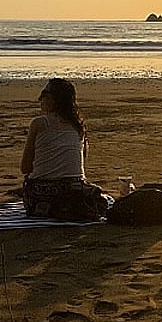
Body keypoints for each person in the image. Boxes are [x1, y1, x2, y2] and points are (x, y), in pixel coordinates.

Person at [20, 78, 110, 220]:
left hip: (42, 196)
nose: (40, 99)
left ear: (52, 99)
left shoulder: (39, 123)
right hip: (74, 192)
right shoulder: (78, 127)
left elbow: (25, 168)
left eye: (44, 95)